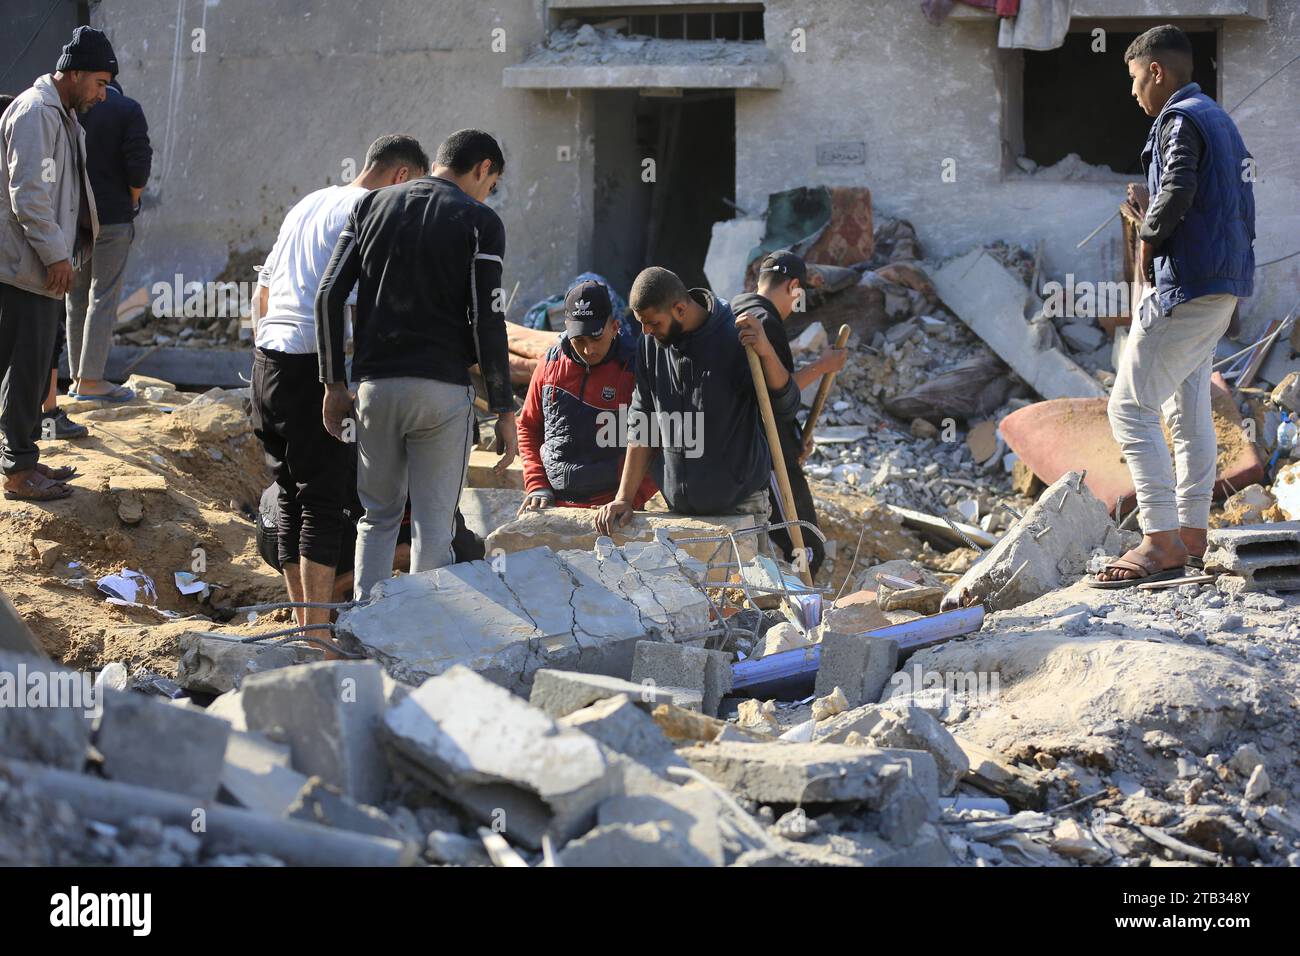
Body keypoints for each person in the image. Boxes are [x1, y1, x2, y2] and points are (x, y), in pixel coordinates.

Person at [317, 129, 517, 600]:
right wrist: (504, 407)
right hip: (440, 394)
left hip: (375, 390)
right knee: (434, 528)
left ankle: (363, 636)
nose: (490, 192)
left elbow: (328, 295)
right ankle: (424, 646)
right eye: (493, 182)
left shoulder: (369, 206)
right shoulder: (479, 221)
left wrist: (332, 384)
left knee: (378, 518)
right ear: (483, 167)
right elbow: (489, 320)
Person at [1094, 24, 1255, 586]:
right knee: (1185, 411)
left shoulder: (1179, 118)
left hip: (1186, 286)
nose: (1134, 92)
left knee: (1129, 408)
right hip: (1221, 283)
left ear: (1156, 71)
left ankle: (1159, 541)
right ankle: (1191, 533)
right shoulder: (1218, 117)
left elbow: (1180, 186)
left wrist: (1148, 234)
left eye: (1136, 79)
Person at [252, 134, 429, 647]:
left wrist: (265, 351)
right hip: (315, 366)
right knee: (324, 501)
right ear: (400, 177)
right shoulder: (370, 207)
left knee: (290, 495)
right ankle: (318, 633)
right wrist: (342, 381)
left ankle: (307, 625)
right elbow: (350, 303)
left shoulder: (309, 202)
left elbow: (262, 292)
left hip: (269, 362)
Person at [594, 266, 800, 536]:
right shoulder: (650, 344)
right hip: (678, 510)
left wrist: (766, 352)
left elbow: (786, 406)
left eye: (654, 323)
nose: (646, 331)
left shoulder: (737, 338)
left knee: (739, 580)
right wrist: (624, 497)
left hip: (740, 509)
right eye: (641, 322)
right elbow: (643, 420)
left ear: (680, 309)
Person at [0, 27, 115, 501]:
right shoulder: (36, 111)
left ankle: (23, 458)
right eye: (100, 83)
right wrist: (56, 255)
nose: (102, 95)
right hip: (27, 266)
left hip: (39, 268)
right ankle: (18, 472)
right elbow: (28, 194)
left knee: (30, 366)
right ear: (76, 73)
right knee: (24, 367)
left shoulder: (61, 114)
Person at [731, 251, 846, 576]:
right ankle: (793, 615)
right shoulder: (764, 322)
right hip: (768, 457)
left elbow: (764, 392)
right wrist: (824, 365)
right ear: (795, 285)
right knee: (806, 549)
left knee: (779, 544)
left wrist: (796, 439)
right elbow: (779, 393)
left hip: (751, 449)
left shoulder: (737, 309)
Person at [255, 445, 485, 603]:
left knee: (457, 547)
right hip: (290, 534)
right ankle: (325, 601)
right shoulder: (369, 469)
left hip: (283, 522)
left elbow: (461, 543)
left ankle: (326, 596)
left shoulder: (417, 468)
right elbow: (316, 534)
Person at [517, 278, 657, 515]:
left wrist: (628, 500)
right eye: (579, 340)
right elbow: (528, 427)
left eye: (596, 338)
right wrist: (536, 485)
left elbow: (658, 446)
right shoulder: (549, 365)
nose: (588, 349)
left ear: (614, 327)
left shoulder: (637, 370)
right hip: (551, 503)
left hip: (612, 509)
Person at [64, 78, 152, 403]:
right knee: (103, 296)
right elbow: (139, 165)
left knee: (76, 298)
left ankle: (76, 379)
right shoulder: (127, 109)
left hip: (75, 219)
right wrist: (131, 199)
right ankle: (91, 380)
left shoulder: (70, 110)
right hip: (113, 218)